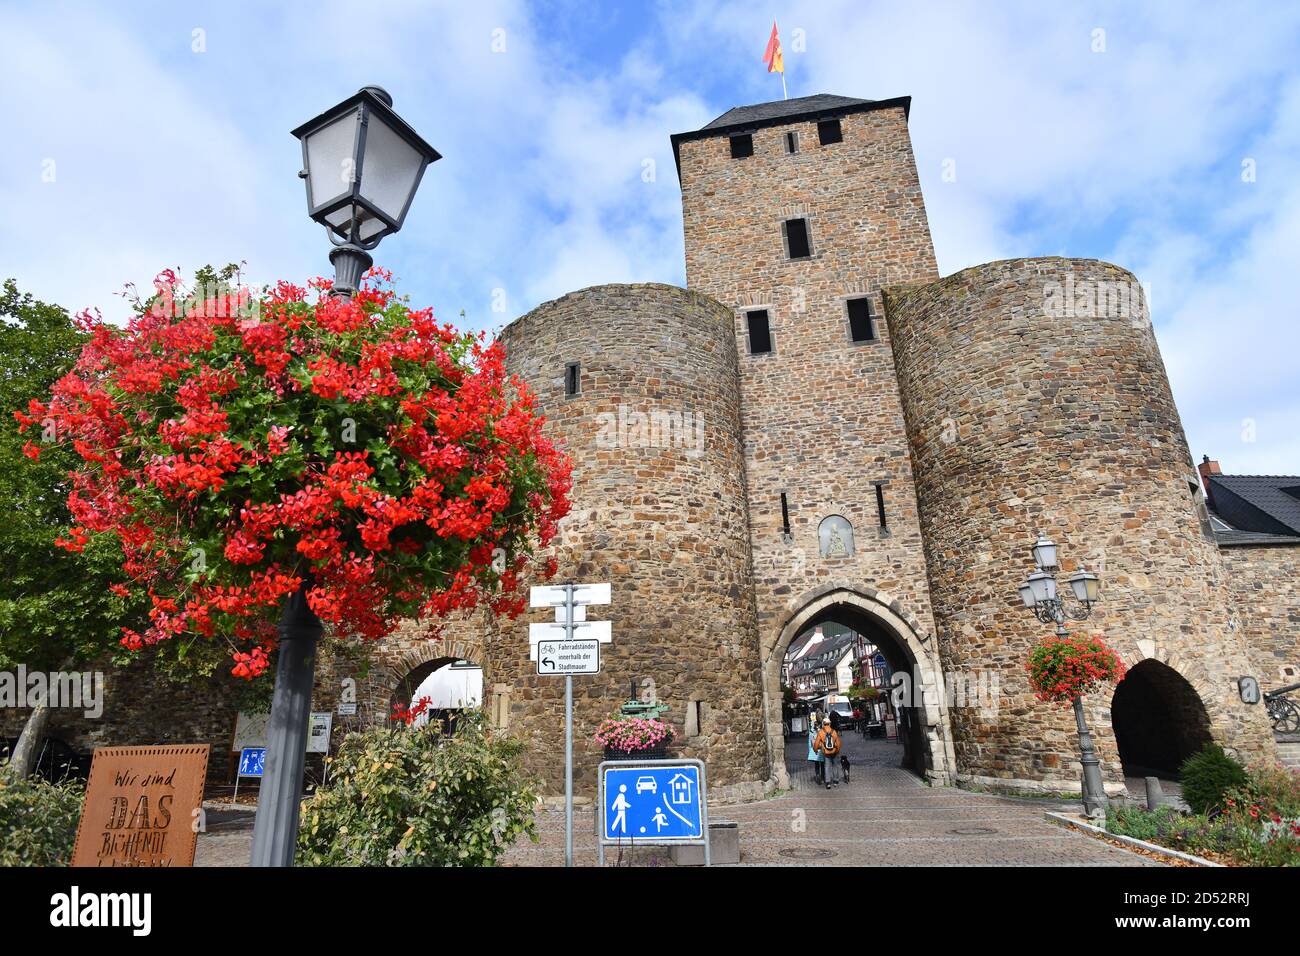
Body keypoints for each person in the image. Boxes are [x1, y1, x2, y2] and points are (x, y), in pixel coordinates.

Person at [814, 718, 841, 789]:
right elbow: (838, 743)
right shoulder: (834, 731)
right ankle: (835, 781)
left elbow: (816, 743)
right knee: (835, 765)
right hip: (834, 751)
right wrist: (837, 750)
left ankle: (828, 782)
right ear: (830, 723)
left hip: (826, 752)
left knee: (827, 766)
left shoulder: (821, 732)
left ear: (823, 723)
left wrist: (815, 750)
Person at [806, 711, 824, 785]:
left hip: (815, 750)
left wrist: (810, 750)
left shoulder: (811, 731)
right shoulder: (822, 730)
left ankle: (817, 775)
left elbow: (809, 742)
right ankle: (823, 777)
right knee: (822, 764)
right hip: (822, 749)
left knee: (816, 764)